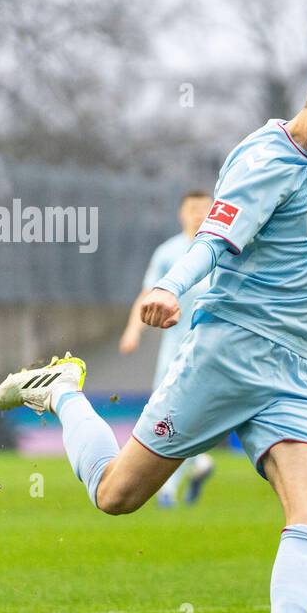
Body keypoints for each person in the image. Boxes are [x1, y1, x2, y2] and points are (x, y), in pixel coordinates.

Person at [0, 45, 307, 613]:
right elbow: (216, 239)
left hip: (300, 367)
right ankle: (62, 393)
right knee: (117, 495)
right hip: (231, 355)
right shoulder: (265, 165)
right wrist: (169, 288)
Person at [118, 189, 217, 506]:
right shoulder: (168, 252)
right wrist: (133, 331)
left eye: (205, 208)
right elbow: (147, 295)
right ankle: (195, 466)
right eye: (193, 209)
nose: (199, 214)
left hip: (212, 349)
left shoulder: (223, 249)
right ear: (182, 214)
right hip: (174, 351)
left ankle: (175, 483)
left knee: (177, 415)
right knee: (167, 413)